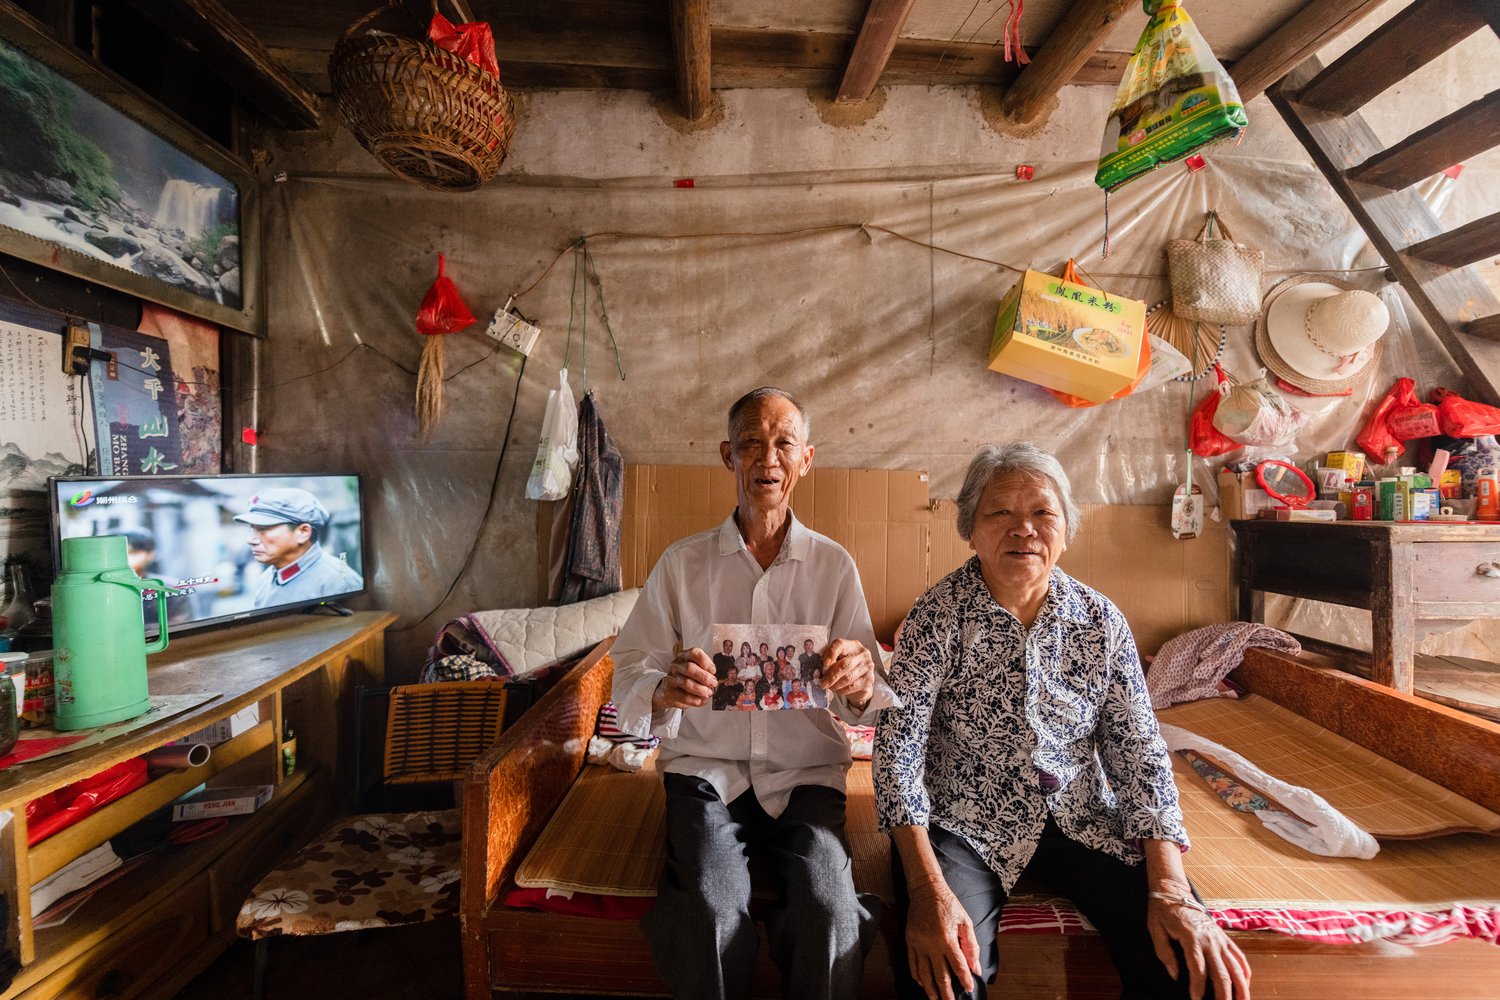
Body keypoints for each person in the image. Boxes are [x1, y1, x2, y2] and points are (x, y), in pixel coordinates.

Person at [874, 443, 1251, 1000]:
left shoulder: (1100, 621)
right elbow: (897, 753)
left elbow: (1140, 753)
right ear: (970, 530)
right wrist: (927, 889)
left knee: (1190, 968)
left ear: (1066, 529)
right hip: (966, 819)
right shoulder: (936, 616)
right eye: (999, 513)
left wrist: (1171, 889)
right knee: (943, 977)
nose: (1022, 529)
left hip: (1083, 815)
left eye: (1042, 513)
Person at [611, 386, 897, 1000]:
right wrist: (664, 689)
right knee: (710, 912)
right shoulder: (682, 565)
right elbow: (630, 669)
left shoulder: (833, 566)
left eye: (784, 443)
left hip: (806, 774)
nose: (768, 457)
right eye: (751, 443)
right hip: (707, 773)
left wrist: (858, 678)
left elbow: (867, 691)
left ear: (806, 459)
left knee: (829, 912)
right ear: (728, 456)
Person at [234, 488, 363, 609]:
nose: (250, 540)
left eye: (263, 529)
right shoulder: (267, 577)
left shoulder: (340, 583)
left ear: (303, 532)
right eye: (253, 529)